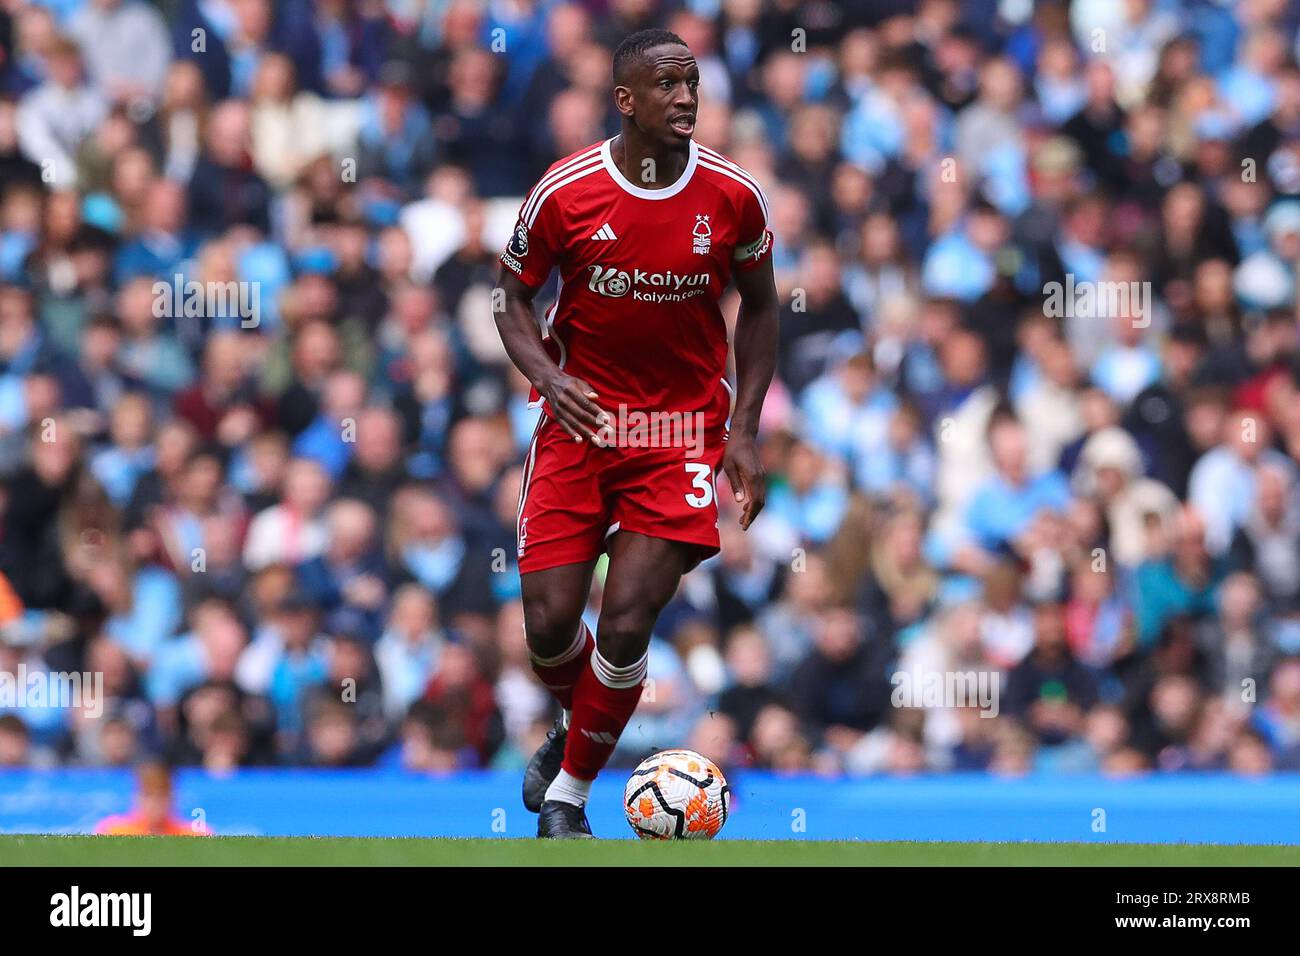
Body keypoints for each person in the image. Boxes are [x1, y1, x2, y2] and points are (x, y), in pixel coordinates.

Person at [494, 28, 778, 837]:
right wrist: (546, 376)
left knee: (624, 621)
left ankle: (569, 799)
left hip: (683, 430)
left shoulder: (732, 196)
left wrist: (746, 428)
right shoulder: (565, 191)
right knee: (549, 626)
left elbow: (761, 307)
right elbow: (508, 297)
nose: (686, 97)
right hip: (578, 425)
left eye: (692, 83)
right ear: (626, 100)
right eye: (667, 85)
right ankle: (577, 725)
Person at [93, 762, 209, 836]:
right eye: (148, 795)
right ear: (136, 796)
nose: (154, 803)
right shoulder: (112, 831)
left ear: (172, 797)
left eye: (160, 795)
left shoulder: (195, 834)